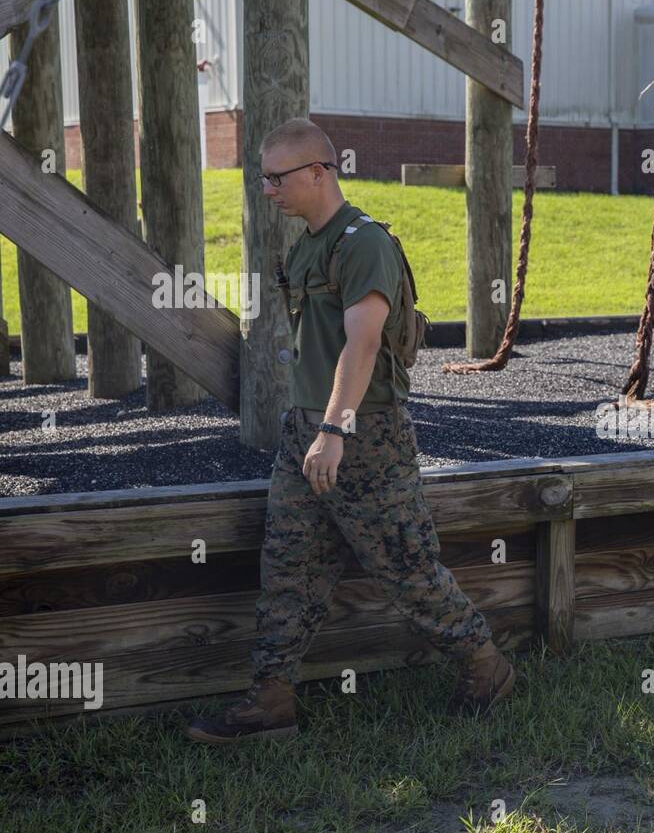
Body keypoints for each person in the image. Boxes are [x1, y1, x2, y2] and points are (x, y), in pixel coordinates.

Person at [186, 119, 514, 742]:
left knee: (407, 571)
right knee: (287, 567)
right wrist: (312, 429)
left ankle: (485, 666)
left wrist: (334, 429)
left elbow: (362, 346)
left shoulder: (363, 243)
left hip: (363, 438)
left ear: (318, 172)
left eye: (277, 177)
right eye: (263, 177)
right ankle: (271, 700)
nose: (267, 189)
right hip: (304, 434)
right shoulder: (308, 244)